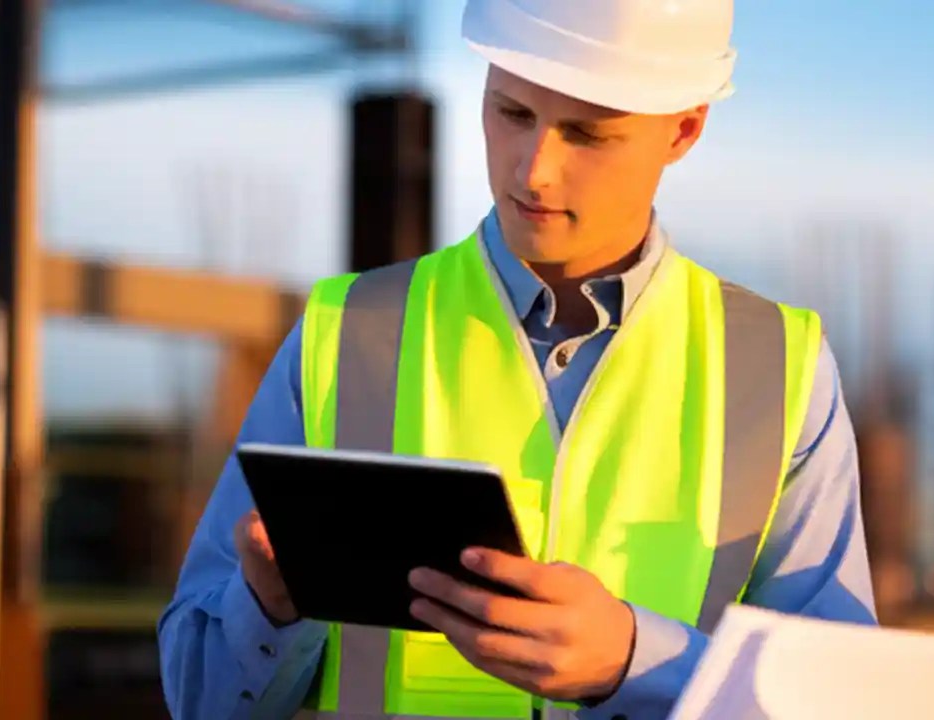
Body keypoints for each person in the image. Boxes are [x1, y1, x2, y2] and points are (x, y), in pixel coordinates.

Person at [157, 1, 877, 718]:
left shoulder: (778, 367)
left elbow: (837, 698)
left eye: (587, 134)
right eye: (511, 113)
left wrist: (635, 660)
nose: (533, 171)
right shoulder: (344, 335)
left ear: (684, 129)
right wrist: (269, 609)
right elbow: (199, 701)